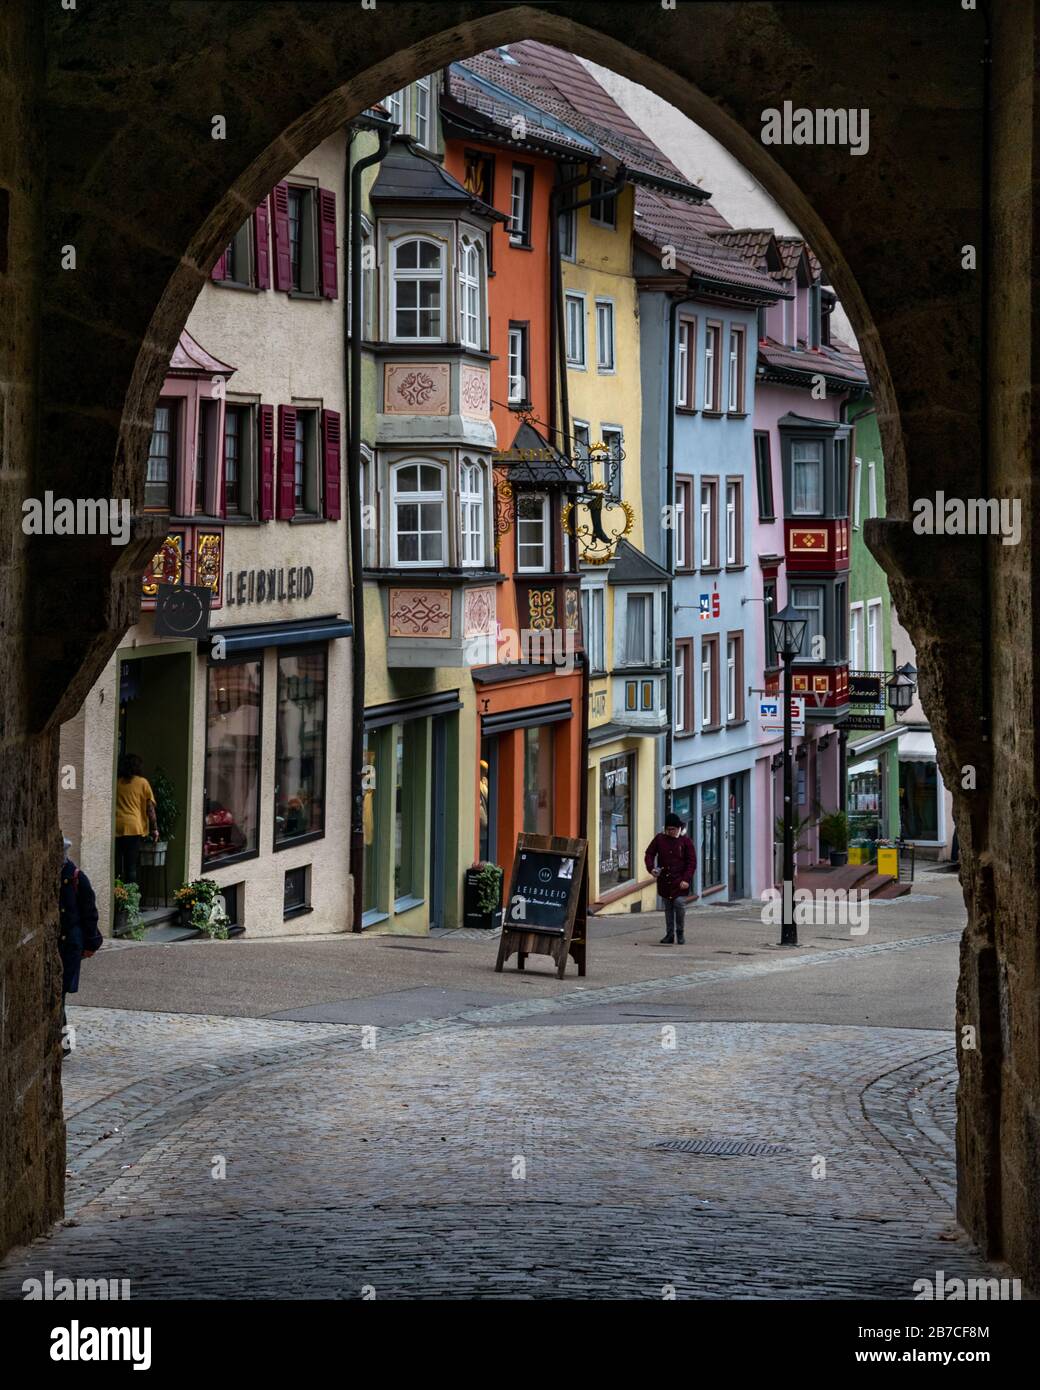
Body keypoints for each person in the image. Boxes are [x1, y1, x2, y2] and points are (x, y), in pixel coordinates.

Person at [59, 836, 102, 1052]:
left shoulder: (77, 878)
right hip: (63, 944)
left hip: (70, 946)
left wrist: (91, 943)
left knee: (60, 995)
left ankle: (66, 1045)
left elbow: (89, 912)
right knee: (58, 997)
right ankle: (64, 1045)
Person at [645, 812, 697, 945]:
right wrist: (651, 868)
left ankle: (680, 932)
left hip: (680, 880)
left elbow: (692, 862)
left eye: (673, 829)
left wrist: (686, 879)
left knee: (679, 904)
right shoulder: (660, 839)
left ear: (679, 828)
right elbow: (649, 853)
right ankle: (669, 934)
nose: (670, 832)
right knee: (668, 907)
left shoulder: (685, 841)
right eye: (668, 829)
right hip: (665, 880)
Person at [114, 752, 157, 884]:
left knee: (116, 865)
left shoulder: (117, 783)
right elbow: (150, 809)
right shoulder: (143, 783)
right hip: (134, 828)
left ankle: (117, 895)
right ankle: (130, 899)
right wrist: (155, 828)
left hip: (117, 827)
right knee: (131, 866)